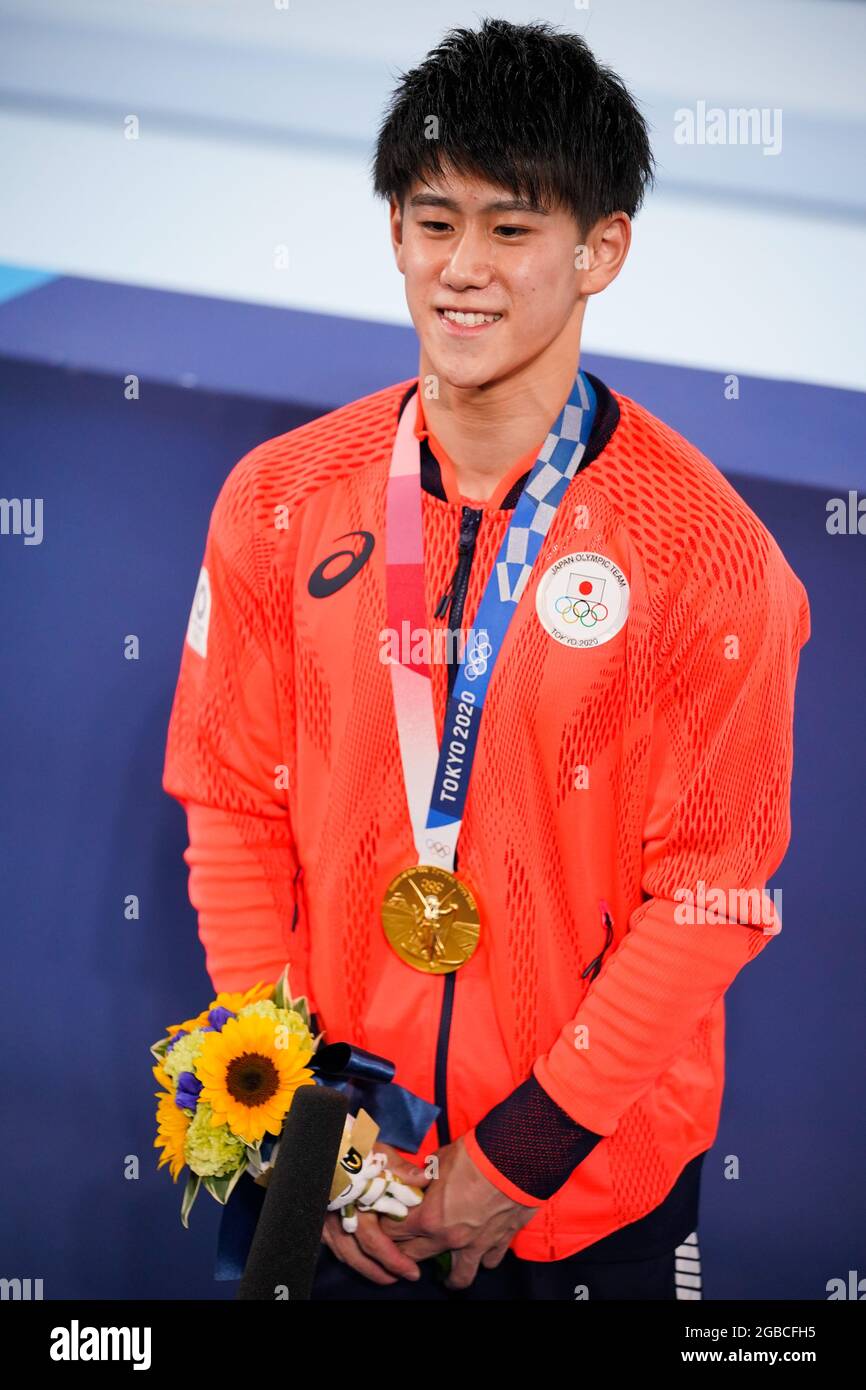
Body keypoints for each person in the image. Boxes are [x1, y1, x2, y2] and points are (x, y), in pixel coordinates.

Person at [162, 18, 810, 1301]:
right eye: (430, 220)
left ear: (599, 250)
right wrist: (303, 1126)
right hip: (351, 1178)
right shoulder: (277, 500)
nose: (461, 269)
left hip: (586, 1200)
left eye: (510, 229)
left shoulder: (713, 560)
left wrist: (514, 1161)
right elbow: (233, 809)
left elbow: (707, 902)